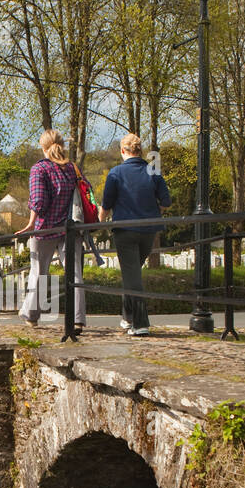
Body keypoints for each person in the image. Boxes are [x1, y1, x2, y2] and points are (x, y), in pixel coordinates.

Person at [16, 129, 89, 329]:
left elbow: (39, 202)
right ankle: (78, 319)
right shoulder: (73, 169)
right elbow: (86, 193)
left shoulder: (39, 169)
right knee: (74, 274)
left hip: (44, 229)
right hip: (70, 228)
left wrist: (31, 223)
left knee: (38, 271)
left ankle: (31, 315)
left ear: (43, 147)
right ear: (62, 145)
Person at [99, 133, 171, 336]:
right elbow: (166, 202)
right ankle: (127, 316)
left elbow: (106, 204)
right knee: (133, 273)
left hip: (125, 230)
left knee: (132, 275)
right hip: (149, 230)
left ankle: (140, 324)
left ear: (123, 151)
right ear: (139, 151)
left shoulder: (115, 173)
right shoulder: (153, 171)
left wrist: (100, 221)